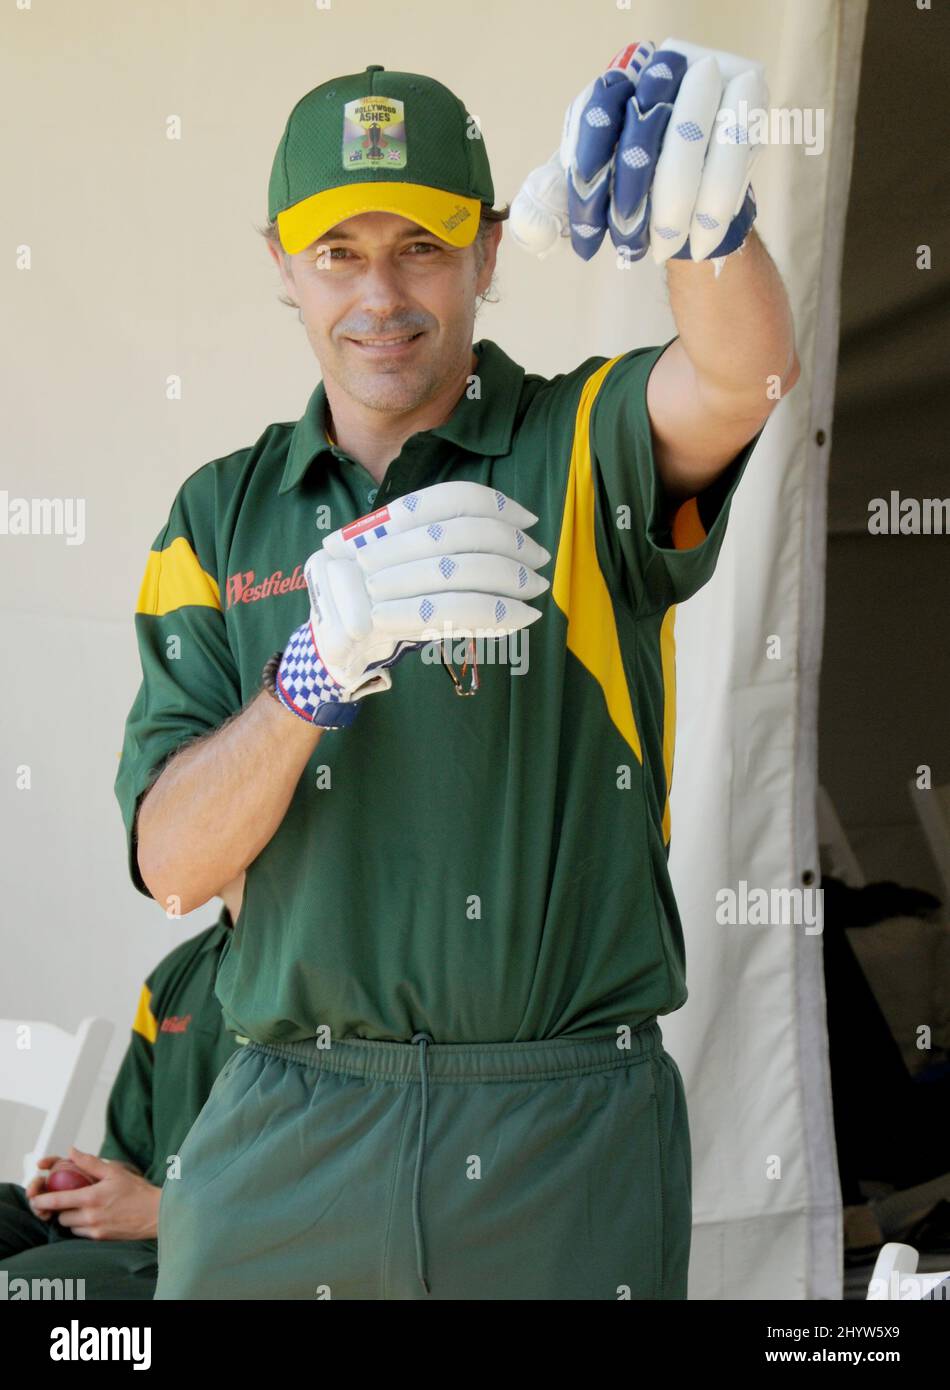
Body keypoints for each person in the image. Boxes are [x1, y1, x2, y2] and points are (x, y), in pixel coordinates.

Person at [115, 51, 800, 1300]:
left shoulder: (583, 441)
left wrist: (710, 227)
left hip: (557, 1128)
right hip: (286, 1122)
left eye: (421, 245)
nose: (380, 295)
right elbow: (172, 863)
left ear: (487, 252)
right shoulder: (215, 517)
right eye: (337, 252)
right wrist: (308, 679)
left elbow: (739, 379)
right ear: (280, 262)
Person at [0, 879, 243, 1300]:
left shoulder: (324, 983)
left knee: (17, 1288)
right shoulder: (173, 977)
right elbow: (129, 1150)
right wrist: (95, 1186)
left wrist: (160, 1214)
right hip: (128, 1232)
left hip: (213, 1252)